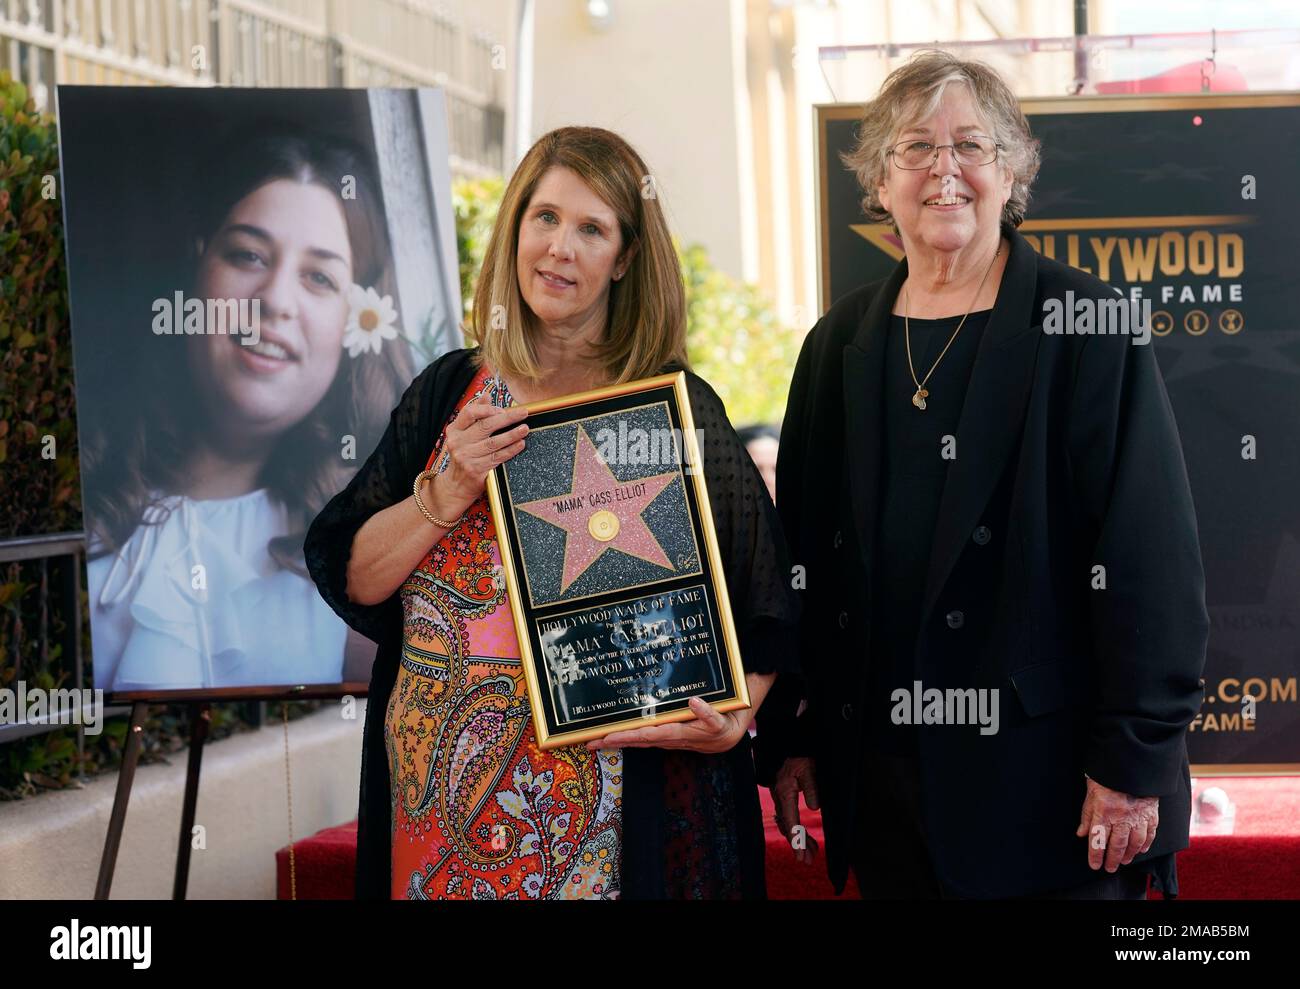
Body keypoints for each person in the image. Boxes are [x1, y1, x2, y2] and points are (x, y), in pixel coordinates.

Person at [756, 50, 1209, 899]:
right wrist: (796, 733)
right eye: (915, 148)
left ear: (1012, 173)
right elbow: (802, 561)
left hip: (1049, 792)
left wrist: (1135, 758)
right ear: (880, 182)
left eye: (972, 145)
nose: (945, 171)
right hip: (884, 786)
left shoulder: (1087, 327)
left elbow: (1151, 561)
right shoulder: (837, 343)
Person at [305, 126, 800, 900]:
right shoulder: (449, 392)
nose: (560, 248)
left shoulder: (669, 410)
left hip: (612, 818)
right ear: (515, 229)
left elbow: (771, 602)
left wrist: (738, 716)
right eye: (544, 217)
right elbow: (354, 574)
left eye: (591, 228)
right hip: (435, 821)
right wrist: (442, 491)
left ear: (626, 259)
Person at [85, 125, 412, 692]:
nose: (276, 301)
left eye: (319, 277)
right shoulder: (81, 479)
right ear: (197, 267)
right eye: (247, 255)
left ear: (353, 323)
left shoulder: (369, 552)